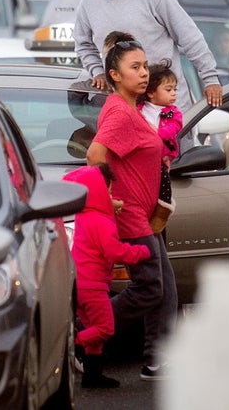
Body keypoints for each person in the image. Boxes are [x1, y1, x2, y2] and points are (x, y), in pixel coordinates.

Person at [85, 30, 176, 381]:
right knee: (150, 286)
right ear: (114, 75)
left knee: (163, 288)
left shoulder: (130, 108)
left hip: (146, 215)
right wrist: (106, 198)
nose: (143, 73)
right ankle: (85, 328)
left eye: (144, 66)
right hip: (130, 216)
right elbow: (95, 155)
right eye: (134, 67)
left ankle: (155, 361)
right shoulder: (122, 113)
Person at [74, 0, 223, 108]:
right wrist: (98, 72)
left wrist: (210, 79)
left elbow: (190, 38)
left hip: (168, 107)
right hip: (126, 109)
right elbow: (83, 45)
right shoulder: (88, 4)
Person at [65, 162, 151, 389]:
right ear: (100, 191)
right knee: (105, 328)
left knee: (97, 335)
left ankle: (92, 376)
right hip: (93, 286)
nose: (111, 194)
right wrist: (139, 252)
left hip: (79, 284)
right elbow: (113, 251)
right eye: (108, 189)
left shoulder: (84, 216)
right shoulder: (103, 222)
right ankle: (72, 342)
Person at [138, 61, 182, 232]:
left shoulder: (173, 112)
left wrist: (153, 135)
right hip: (142, 159)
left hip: (161, 158)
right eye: (168, 89)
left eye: (174, 90)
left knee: (164, 181)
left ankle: (163, 210)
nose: (173, 94)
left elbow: (173, 128)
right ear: (150, 92)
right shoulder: (138, 109)